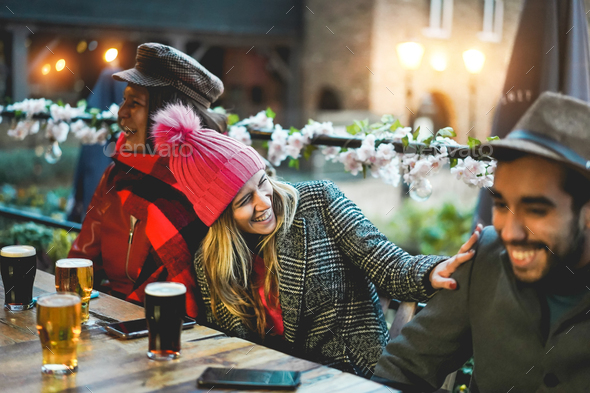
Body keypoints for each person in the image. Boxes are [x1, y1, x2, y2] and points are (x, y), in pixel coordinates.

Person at [150, 102, 480, 377]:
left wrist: (431, 271)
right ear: (220, 216)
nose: (264, 202)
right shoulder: (211, 263)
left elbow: (389, 264)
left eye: (262, 181)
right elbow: (225, 350)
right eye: (244, 200)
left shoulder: (318, 202)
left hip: (348, 379)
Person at [372, 92, 590, 392]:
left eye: (536, 210)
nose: (510, 232)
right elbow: (403, 369)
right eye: (501, 205)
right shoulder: (485, 255)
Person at [68, 43, 226, 318]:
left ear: (168, 115)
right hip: (114, 322)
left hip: (181, 330)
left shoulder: (209, 188)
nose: (121, 113)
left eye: (135, 103)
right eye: (123, 100)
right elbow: (81, 259)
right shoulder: (115, 176)